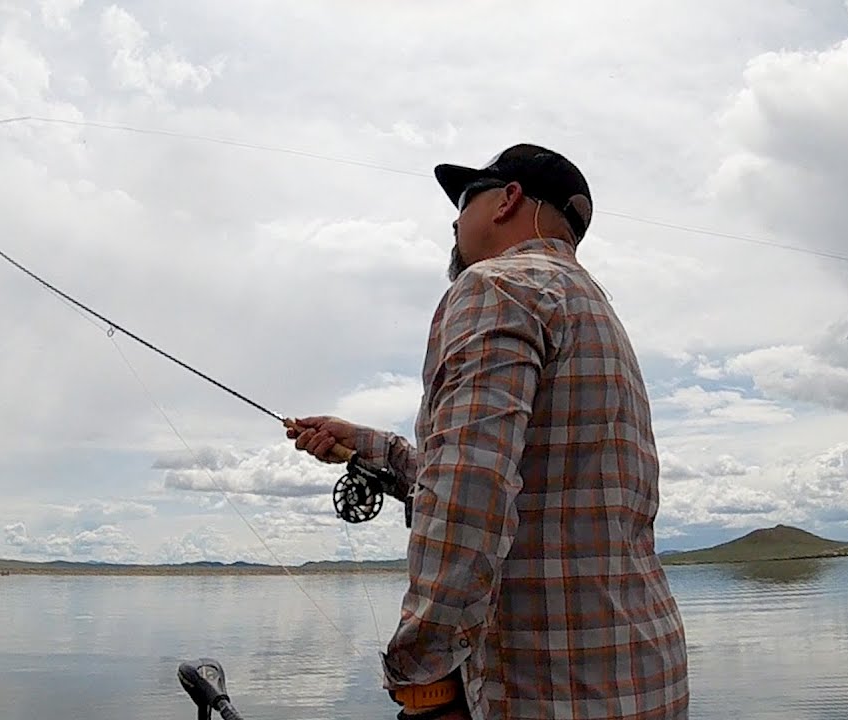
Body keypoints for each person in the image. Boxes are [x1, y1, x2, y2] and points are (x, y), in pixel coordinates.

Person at [286, 144, 689, 720]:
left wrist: (424, 674)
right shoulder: (593, 309)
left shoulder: (495, 287)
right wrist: (368, 445)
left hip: (547, 692)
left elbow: (468, 492)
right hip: (647, 679)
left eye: (465, 200)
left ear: (509, 200)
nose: (453, 220)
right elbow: (524, 478)